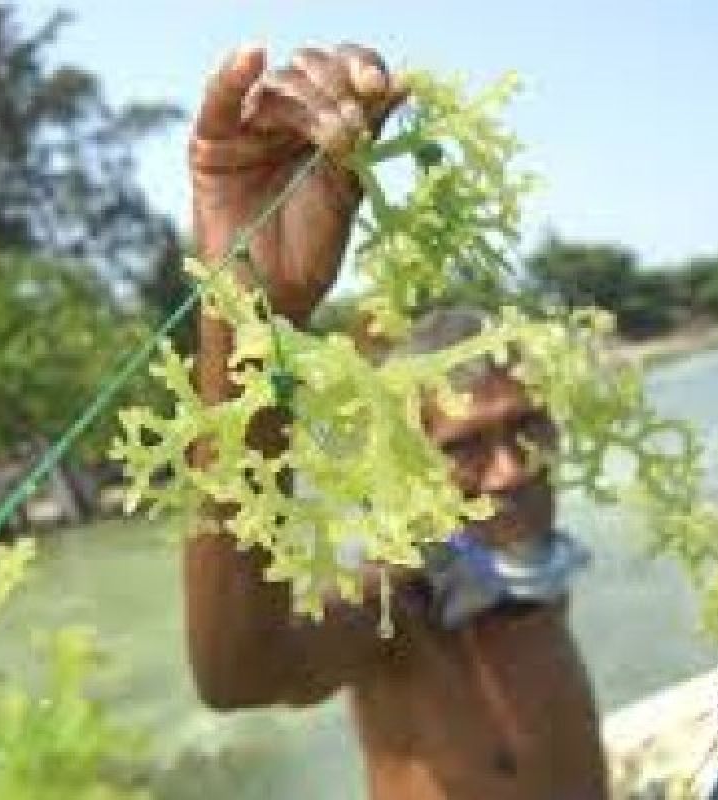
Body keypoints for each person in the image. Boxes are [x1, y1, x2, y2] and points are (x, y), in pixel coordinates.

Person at [186, 42, 610, 800]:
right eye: (463, 449)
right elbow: (238, 674)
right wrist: (247, 319)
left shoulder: (537, 574)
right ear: (408, 467)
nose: (511, 471)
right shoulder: (399, 608)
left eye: (527, 428)